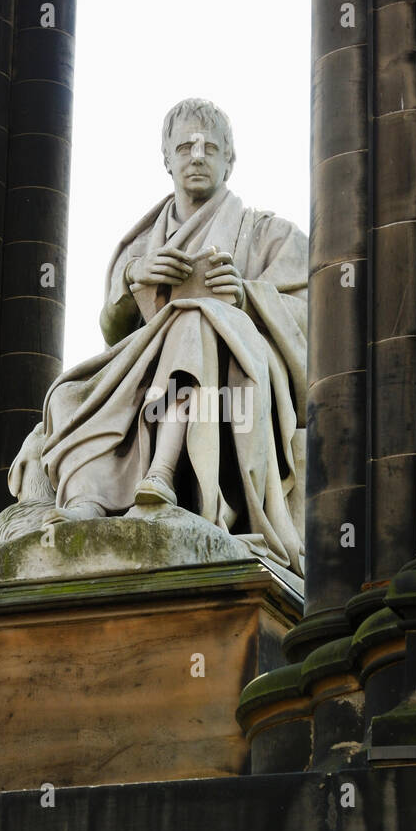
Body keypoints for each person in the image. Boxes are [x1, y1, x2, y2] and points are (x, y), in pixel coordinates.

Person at [29, 99, 308, 577]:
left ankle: (162, 475)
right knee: (68, 395)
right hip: (145, 381)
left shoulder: (269, 234)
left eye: (210, 147)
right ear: (167, 159)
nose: (197, 156)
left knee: (193, 319)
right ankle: (89, 498)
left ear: (229, 160)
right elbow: (114, 335)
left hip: (227, 396)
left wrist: (246, 300)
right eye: (184, 147)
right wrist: (135, 280)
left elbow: (312, 317)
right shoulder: (140, 245)